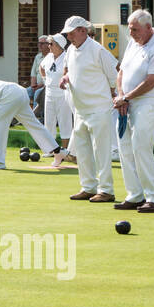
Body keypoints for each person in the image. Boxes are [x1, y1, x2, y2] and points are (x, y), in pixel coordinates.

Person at [112, 10, 154, 213]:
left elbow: (151, 81)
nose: (131, 33)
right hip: (127, 102)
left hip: (148, 102)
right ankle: (135, 195)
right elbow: (121, 72)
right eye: (130, 29)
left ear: (148, 27)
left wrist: (126, 98)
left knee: (141, 147)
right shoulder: (133, 42)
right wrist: (122, 96)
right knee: (125, 148)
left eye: (135, 29)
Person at [60, 16, 119, 203]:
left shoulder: (98, 50)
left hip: (99, 108)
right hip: (80, 109)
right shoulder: (71, 50)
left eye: (71, 33)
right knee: (83, 151)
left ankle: (106, 190)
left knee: (101, 151)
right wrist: (65, 78)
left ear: (83, 31)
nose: (69, 37)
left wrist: (113, 95)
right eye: (68, 34)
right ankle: (88, 187)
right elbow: (69, 70)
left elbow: (114, 75)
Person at [41, 33, 73, 168]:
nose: (48, 46)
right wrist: (45, 80)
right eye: (48, 43)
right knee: (49, 122)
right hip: (49, 93)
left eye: (51, 44)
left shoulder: (66, 57)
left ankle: (65, 150)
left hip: (63, 94)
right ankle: (51, 150)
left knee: (64, 121)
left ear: (59, 46)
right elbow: (41, 67)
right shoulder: (48, 57)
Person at [28, 36, 50, 117]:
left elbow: (49, 76)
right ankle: (20, 116)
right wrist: (33, 85)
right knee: (24, 92)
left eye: (42, 43)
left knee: (38, 93)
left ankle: (35, 117)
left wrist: (39, 86)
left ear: (48, 44)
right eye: (39, 43)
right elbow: (33, 73)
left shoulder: (51, 57)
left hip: (45, 86)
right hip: (36, 85)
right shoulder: (38, 57)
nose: (39, 45)